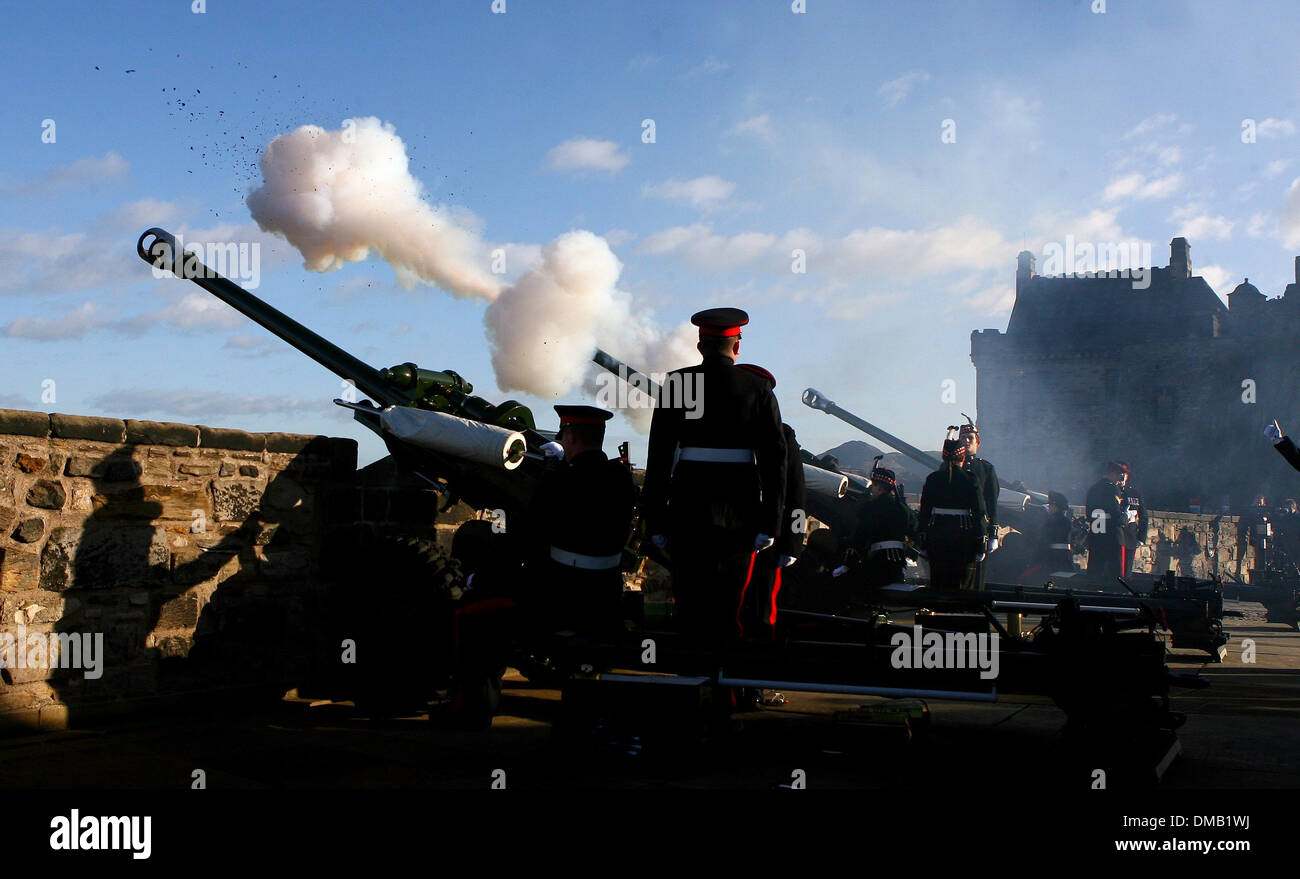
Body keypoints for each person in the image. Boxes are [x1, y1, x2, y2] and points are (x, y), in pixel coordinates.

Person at [640, 308, 787, 655]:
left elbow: (659, 458)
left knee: (692, 607)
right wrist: (770, 523)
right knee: (729, 609)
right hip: (741, 514)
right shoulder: (758, 388)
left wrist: (655, 521)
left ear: (700, 346)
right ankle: (726, 690)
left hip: (688, 512)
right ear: (736, 346)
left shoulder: (678, 385)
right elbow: (775, 461)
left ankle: (691, 684)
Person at [525, 405, 637, 640]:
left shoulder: (559, 480)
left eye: (564, 437)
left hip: (567, 591)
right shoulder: (621, 477)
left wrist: (552, 471)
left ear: (572, 436)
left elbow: (533, 531)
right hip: (607, 592)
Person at [733, 364, 805, 641]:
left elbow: (795, 494)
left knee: (762, 609)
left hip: (768, 536)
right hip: (735, 531)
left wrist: (793, 542)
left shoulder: (785, 436)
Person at [834, 457, 916, 594]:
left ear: (880, 487)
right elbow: (913, 530)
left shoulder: (871, 508)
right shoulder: (903, 509)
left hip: (878, 564)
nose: (871, 488)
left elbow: (860, 539)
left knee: (845, 582)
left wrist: (847, 564)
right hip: (897, 567)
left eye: (874, 485)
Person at [917, 433, 987, 591]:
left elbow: (924, 511)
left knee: (938, 577)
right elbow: (979, 512)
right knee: (961, 580)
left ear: (943, 457)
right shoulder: (971, 479)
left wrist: (922, 537)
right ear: (962, 458)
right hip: (963, 533)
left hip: (937, 531)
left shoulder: (933, 479)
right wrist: (981, 542)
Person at [958, 417, 1000, 589]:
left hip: (978, 528)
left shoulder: (986, 469)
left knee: (976, 573)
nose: (967, 441)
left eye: (970, 438)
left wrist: (994, 533)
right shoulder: (952, 468)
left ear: (978, 443)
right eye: (963, 438)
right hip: (956, 527)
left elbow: (992, 502)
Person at [1085, 460, 1128, 585]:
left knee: (1094, 573)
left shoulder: (1093, 489)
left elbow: (1089, 515)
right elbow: (1116, 516)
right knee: (1115, 576)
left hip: (1096, 535)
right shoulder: (1112, 489)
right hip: (1111, 537)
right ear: (1114, 474)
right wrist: (1125, 516)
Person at [1116, 460, 1148, 577]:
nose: (1122, 477)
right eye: (1119, 473)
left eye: (1124, 474)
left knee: (1127, 570)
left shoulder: (1134, 493)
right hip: (1115, 536)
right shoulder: (1111, 491)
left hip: (1130, 536)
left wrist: (1141, 537)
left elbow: (1143, 516)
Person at [1038, 491, 1075, 576]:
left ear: (1056, 506)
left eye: (1050, 505)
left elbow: (1045, 540)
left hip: (1053, 559)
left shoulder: (1052, 521)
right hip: (1066, 559)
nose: (1049, 507)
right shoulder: (1066, 521)